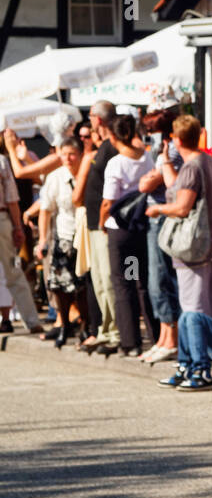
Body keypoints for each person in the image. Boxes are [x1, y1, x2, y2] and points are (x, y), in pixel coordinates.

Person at [144, 114, 212, 324]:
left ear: (178, 140)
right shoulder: (205, 160)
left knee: (193, 304)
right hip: (211, 238)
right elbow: (177, 185)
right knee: (208, 299)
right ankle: (208, 349)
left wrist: (158, 209)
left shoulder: (191, 167)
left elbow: (182, 207)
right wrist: (165, 159)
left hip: (194, 243)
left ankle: (196, 354)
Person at [100, 114, 155, 358]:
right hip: (139, 225)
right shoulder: (146, 158)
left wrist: (102, 223)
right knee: (141, 281)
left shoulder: (116, 163)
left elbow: (108, 201)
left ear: (113, 136)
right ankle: (154, 336)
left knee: (123, 284)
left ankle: (130, 341)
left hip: (119, 229)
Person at [137, 93, 183, 364]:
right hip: (155, 216)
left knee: (161, 278)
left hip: (162, 216)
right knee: (156, 279)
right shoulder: (161, 146)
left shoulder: (172, 149)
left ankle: (171, 338)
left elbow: (146, 184)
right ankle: (164, 337)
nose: (148, 123)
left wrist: (150, 178)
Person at [73, 101, 121, 355]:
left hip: (106, 225)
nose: (89, 121)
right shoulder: (102, 147)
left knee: (113, 278)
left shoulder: (112, 147)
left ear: (99, 119)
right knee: (99, 279)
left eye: (91, 116)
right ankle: (105, 329)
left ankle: (115, 331)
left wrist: (103, 220)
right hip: (94, 223)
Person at [36, 135, 90, 348]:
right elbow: (45, 210)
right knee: (59, 284)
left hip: (84, 235)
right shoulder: (56, 177)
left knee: (83, 284)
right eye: (64, 154)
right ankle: (65, 323)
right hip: (64, 233)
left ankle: (85, 325)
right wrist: (42, 240)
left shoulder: (88, 173)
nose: (68, 159)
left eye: (72, 154)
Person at [0, 144, 41, 334]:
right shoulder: (1, 160)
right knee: (13, 271)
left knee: (14, 269)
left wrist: (17, 226)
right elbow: (11, 198)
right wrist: (17, 227)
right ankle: (32, 321)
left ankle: (31, 320)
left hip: (3, 220)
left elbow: (11, 198)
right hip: (3, 220)